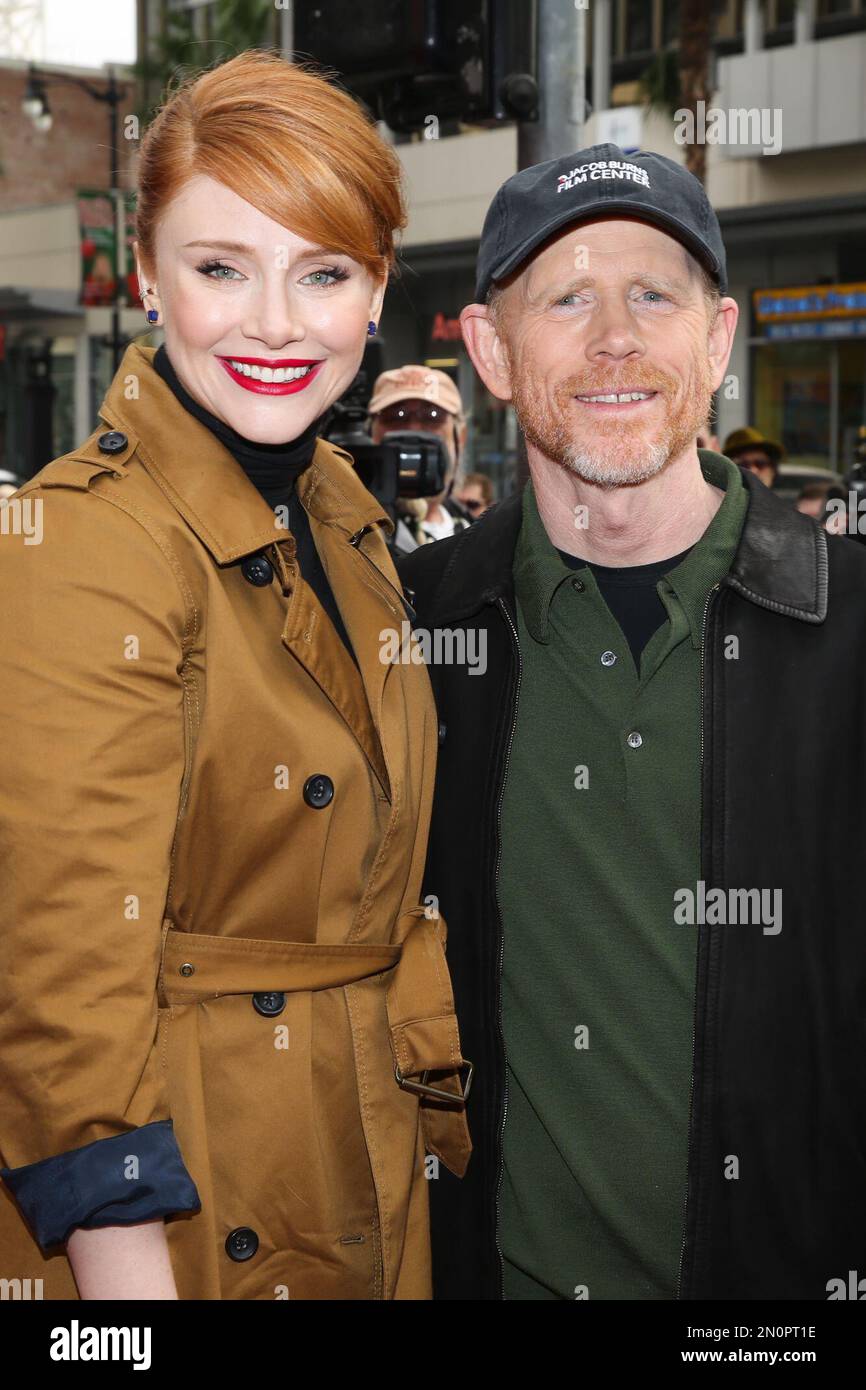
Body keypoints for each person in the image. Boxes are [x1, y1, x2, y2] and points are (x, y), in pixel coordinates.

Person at [0, 49, 470, 1302]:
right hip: (183, 1215)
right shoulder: (86, 539)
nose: (274, 323)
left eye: (322, 273)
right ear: (147, 272)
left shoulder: (344, 511)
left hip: (354, 1155)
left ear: (375, 291)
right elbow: (62, 986)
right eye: (221, 269)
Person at [397, 141, 866, 1300]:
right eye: (565, 297)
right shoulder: (408, 634)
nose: (615, 336)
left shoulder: (850, 623)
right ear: (493, 351)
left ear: (714, 338)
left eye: (652, 293)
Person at [368, 364, 472, 546]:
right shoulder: (348, 527)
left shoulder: (476, 535)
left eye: (432, 416)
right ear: (370, 433)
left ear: (460, 438)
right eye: (395, 416)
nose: (413, 430)